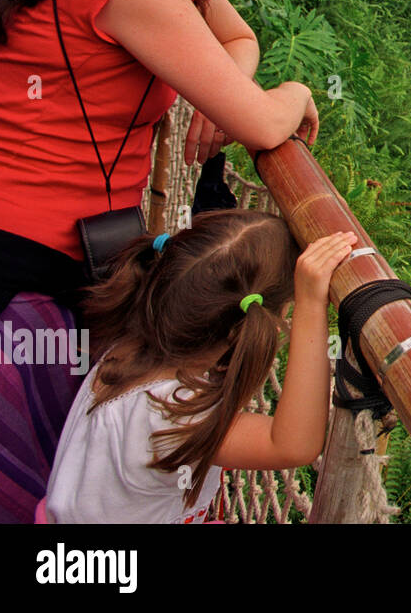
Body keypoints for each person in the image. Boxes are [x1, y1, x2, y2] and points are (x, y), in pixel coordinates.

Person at [0, 0, 315, 523]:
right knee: (15, 470)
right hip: (27, 264)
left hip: (31, 239)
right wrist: (294, 92)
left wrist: (212, 87)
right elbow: (260, 119)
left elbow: (238, 37)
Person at [44, 213, 357, 522]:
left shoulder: (129, 344)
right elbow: (292, 445)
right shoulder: (173, 413)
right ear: (242, 328)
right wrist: (311, 306)